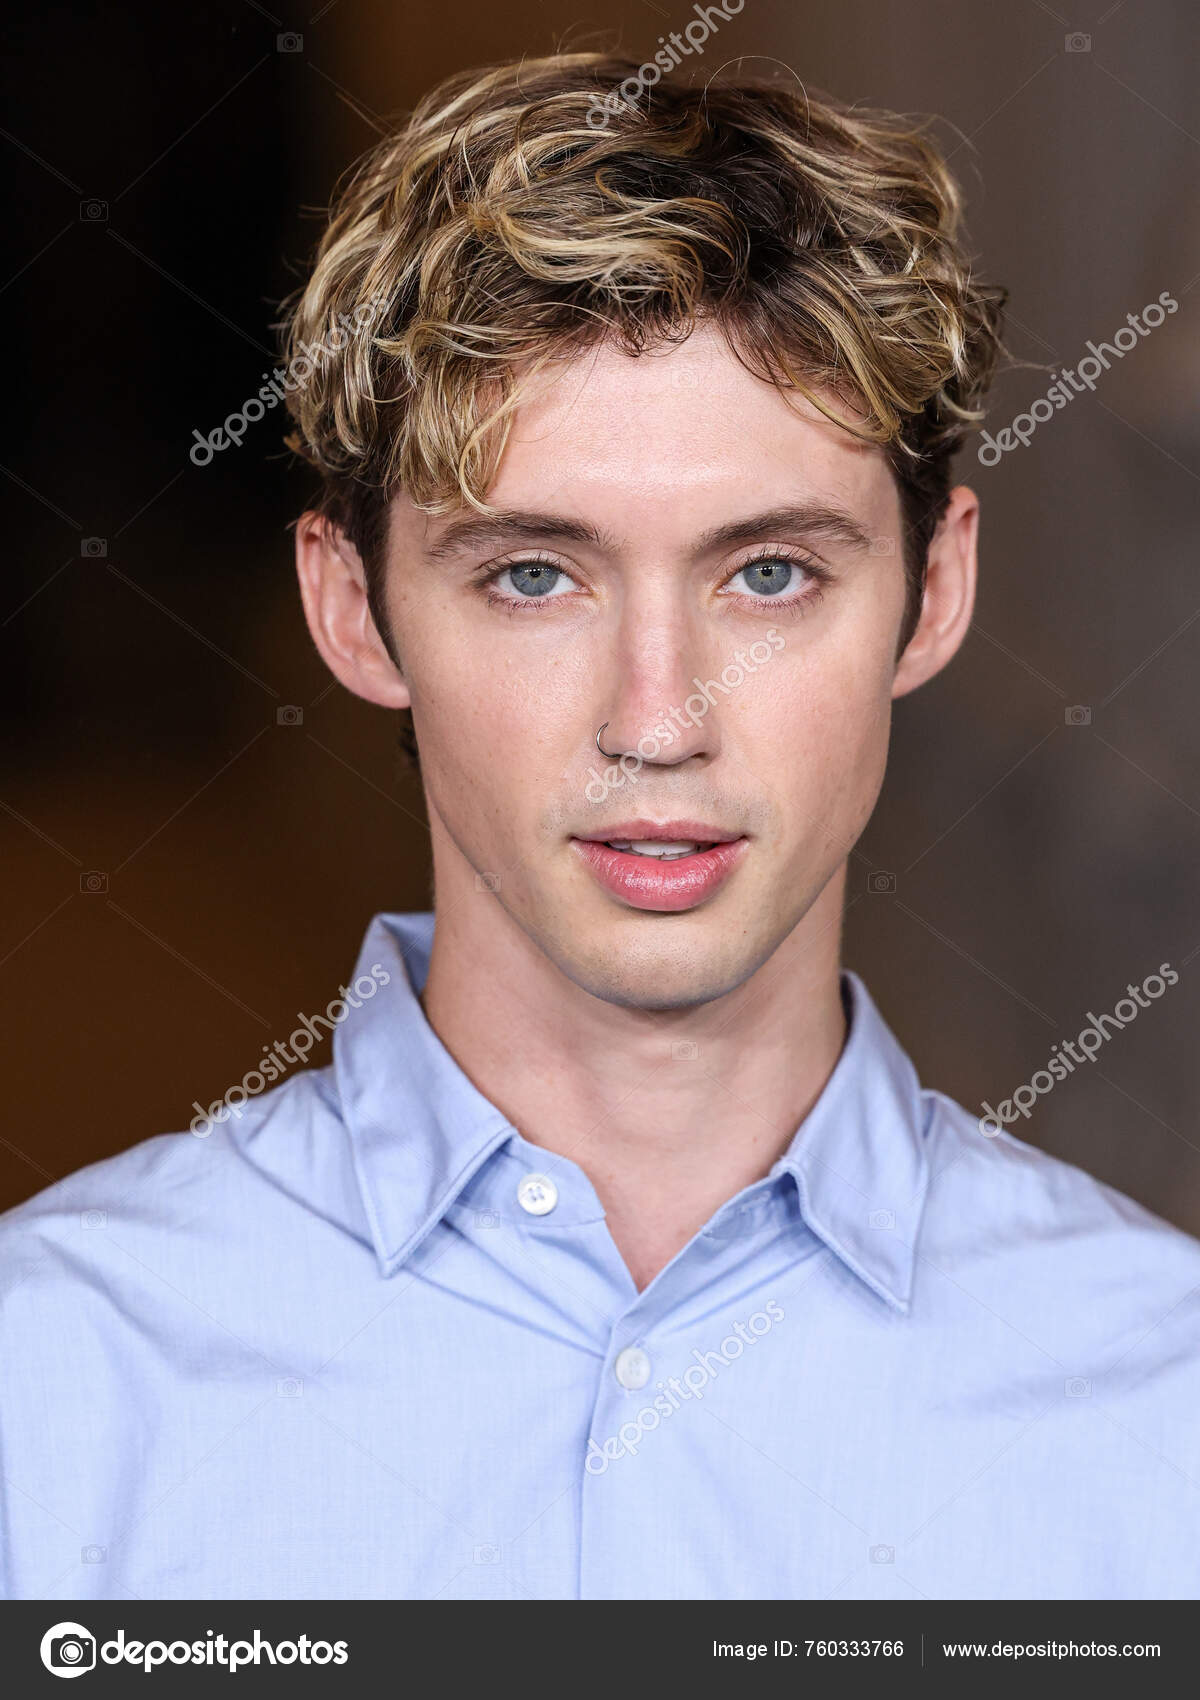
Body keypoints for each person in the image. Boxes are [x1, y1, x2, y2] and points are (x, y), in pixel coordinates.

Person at [3, 53, 1197, 1603]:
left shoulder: (1159, 1402)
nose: (657, 716)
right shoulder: (52, 1383)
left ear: (936, 589)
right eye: (533, 575)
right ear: (352, 611)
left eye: (767, 573)